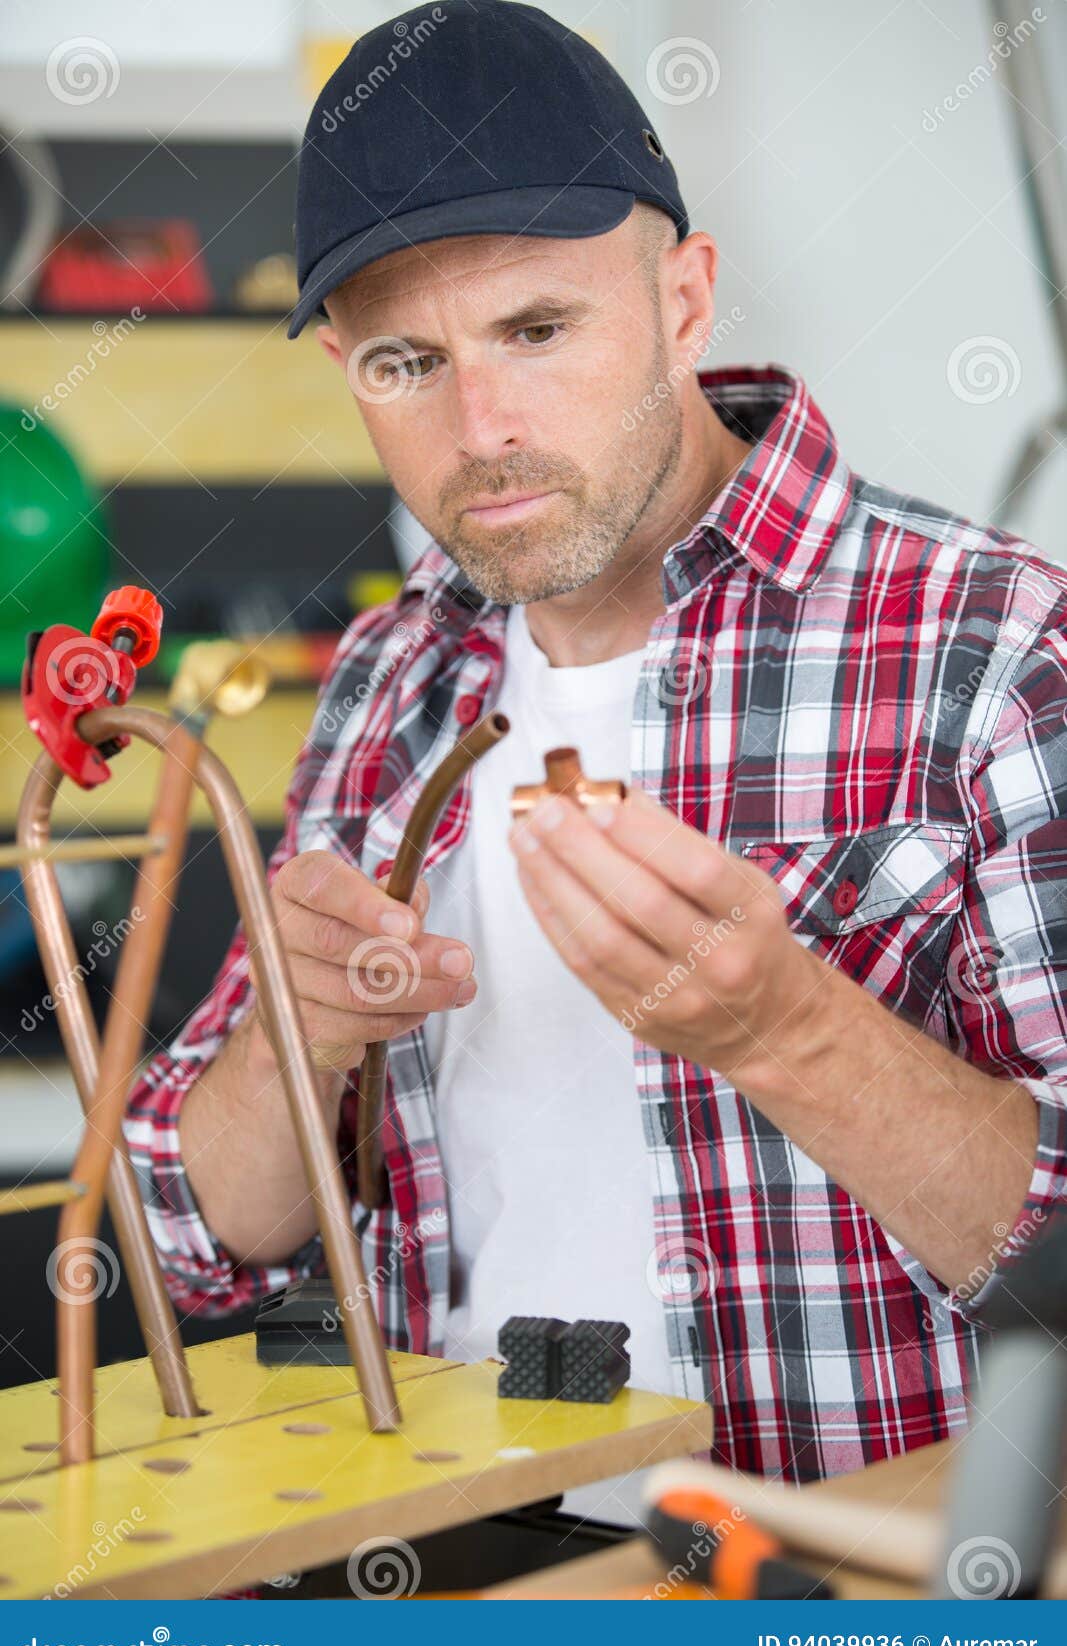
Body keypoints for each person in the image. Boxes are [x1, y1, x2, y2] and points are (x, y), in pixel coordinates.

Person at [125, 1, 1067, 1483]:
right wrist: (290, 1044)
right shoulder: (386, 680)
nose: (481, 426)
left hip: (829, 1588)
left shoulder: (997, 650)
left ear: (686, 303)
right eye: (403, 363)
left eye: (539, 329)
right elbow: (193, 1239)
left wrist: (788, 1032)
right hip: (455, 1575)